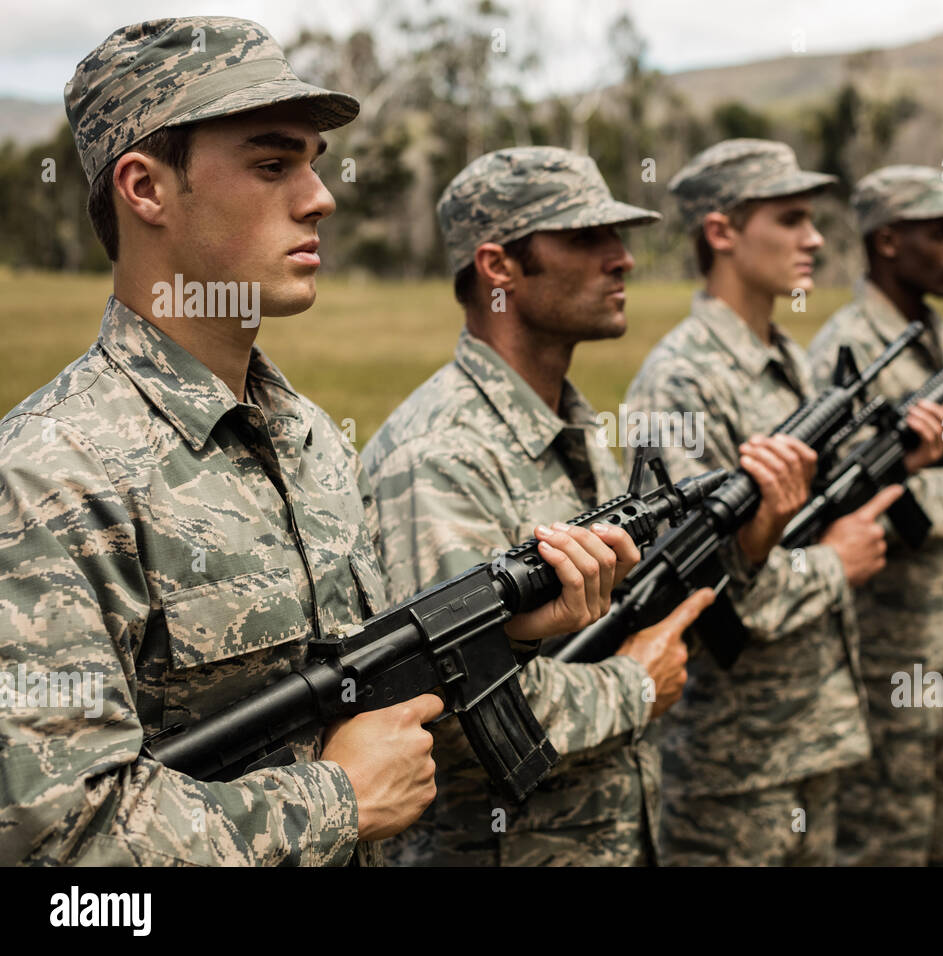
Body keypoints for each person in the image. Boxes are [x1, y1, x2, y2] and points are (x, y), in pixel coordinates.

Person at [0, 19, 616, 867]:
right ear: (145, 188)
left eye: (314, 161)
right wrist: (337, 801)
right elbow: (55, 844)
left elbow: (354, 685)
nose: (320, 195)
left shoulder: (312, 440)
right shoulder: (47, 475)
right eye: (271, 164)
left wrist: (504, 631)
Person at [364, 146, 711, 866]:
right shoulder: (440, 455)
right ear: (499, 269)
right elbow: (452, 710)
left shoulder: (573, 426)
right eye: (587, 238)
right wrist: (636, 687)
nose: (624, 260)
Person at [623, 139, 902, 865]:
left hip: (809, 731)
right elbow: (685, 584)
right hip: (732, 759)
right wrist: (834, 566)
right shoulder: (679, 382)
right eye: (790, 218)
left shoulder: (791, 358)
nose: (814, 238)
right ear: (722, 232)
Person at [807, 165, 943, 866]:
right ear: (888, 240)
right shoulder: (845, 352)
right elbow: (834, 507)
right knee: (884, 837)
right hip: (889, 645)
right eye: (942, 232)